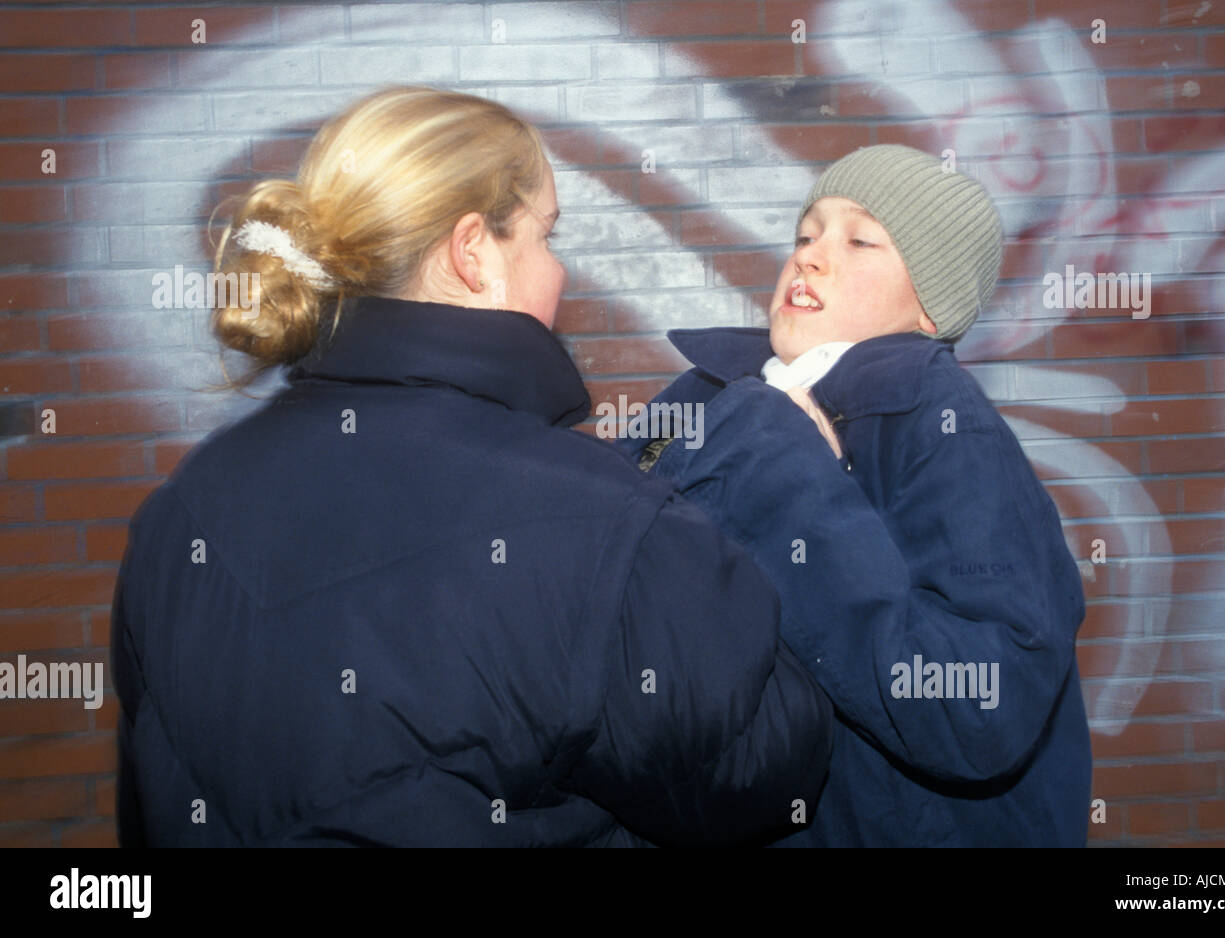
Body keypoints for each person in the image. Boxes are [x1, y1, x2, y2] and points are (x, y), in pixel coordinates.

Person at [110, 85, 835, 847]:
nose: (559, 274)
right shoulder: (605, 524)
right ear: (472, 252)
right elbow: (764, 767)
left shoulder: (182, 511)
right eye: (546, 236)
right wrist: (789, 488)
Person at [618, 144, 1092, 846]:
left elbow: (982, 704)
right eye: (806, 234)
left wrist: (793, 477)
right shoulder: (705, 395)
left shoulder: (941, 423)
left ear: (930, 309)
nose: (810, 256)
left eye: (860, 239)